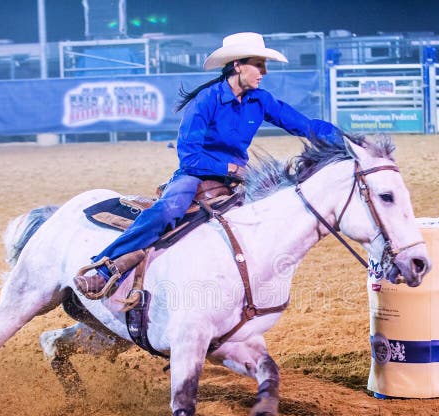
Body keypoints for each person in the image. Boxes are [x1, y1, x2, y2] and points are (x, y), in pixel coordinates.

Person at [73, 32, 340, 298]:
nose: (264, 71)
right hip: (195, 175)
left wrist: (345, 140)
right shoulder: (206, 100)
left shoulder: (261, 100)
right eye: (258, 64)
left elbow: (304, 125)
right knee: (169, 210)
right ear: (237, 65)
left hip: (239, 180)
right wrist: (230, 169)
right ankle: (105, 267)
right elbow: (189, 156)